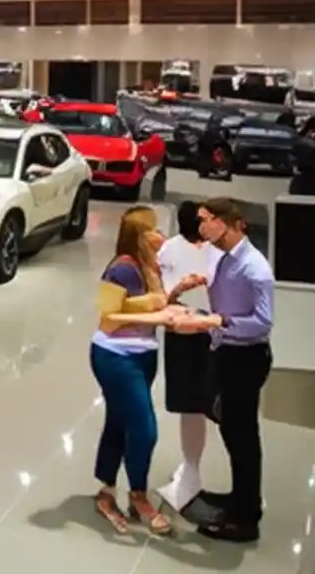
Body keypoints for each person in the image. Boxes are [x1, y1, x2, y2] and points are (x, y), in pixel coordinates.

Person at [170, 197, 274, 543]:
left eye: (205, 220)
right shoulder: (223, 258)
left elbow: (262, 322)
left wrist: (220, 321)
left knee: (243, 438)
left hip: (246, 358)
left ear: (226, 222)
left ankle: (246, 518)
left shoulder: (254, 268)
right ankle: (241, 497)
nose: (200, 228)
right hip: (226, 354)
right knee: (232, 432)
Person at [90, 205, 182, 536]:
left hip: (144, 356)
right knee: (145, 428)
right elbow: (108, 320)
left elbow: (159, 299)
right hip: (116, 357)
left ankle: (106, 490)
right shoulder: (121, 269)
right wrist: (156, 317)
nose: (161, 236)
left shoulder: (151, 266)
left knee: (118, 420)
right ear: (139, 236)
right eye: (154, 231)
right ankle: (139, 496)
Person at [155, 201, 220, 511]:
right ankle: (189, 464)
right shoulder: (169, 250)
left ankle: (192, 466)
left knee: (201, 403)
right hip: (181, 331)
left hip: (208, 332)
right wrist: (180, 288)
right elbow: (161, 296)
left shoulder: (216, 251)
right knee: (187, 404)